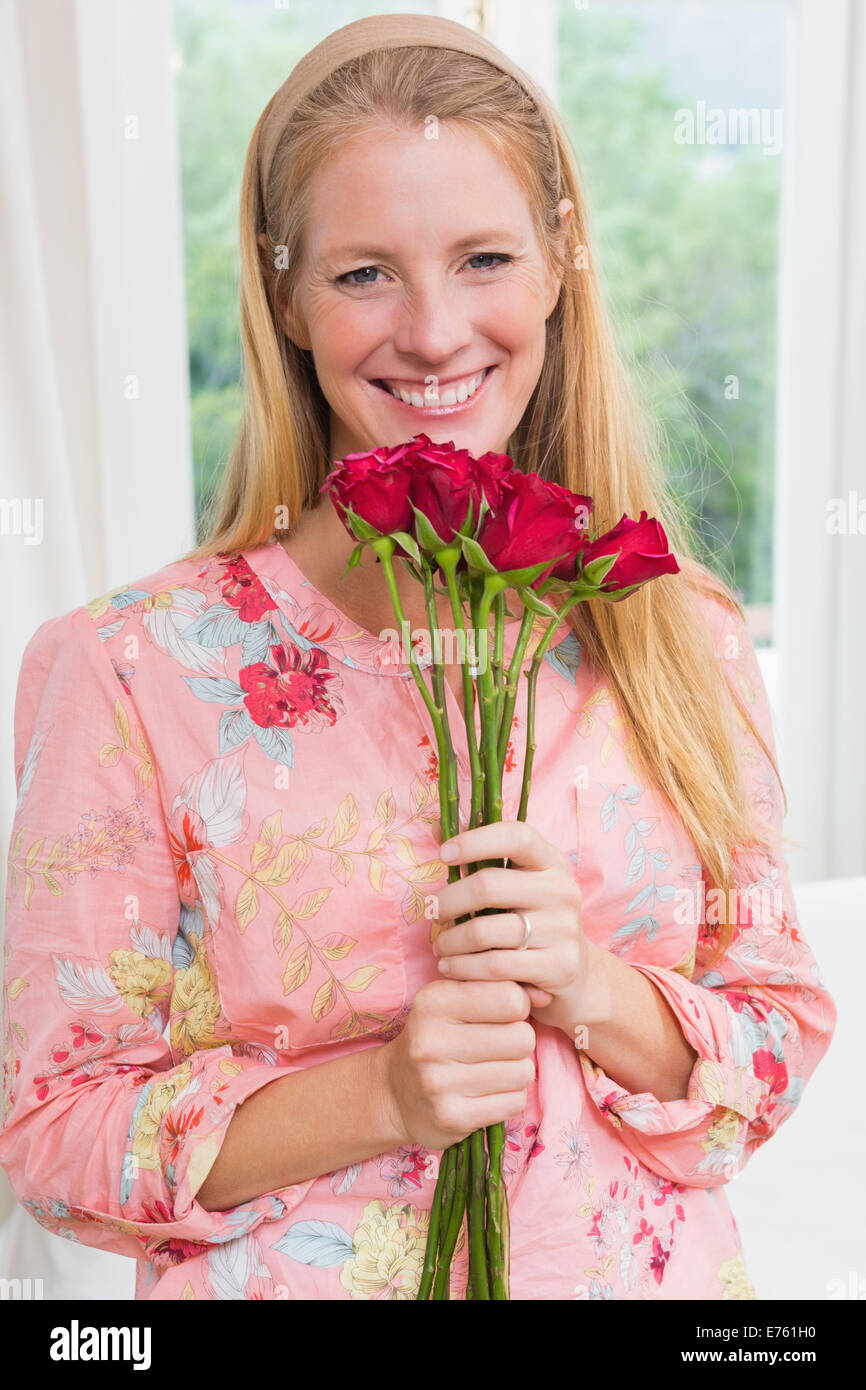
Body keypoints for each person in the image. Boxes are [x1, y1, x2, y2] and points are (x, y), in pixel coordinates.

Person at [0, 14, 836, 1301]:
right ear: (284, 293)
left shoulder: (681, 637)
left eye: (485, 256)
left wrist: (593, 989)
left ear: (560, 261)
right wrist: (379, 1094)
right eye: (362, 274)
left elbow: (774, 1038)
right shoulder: (127, 672)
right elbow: (53, 1136)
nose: (435, 332)